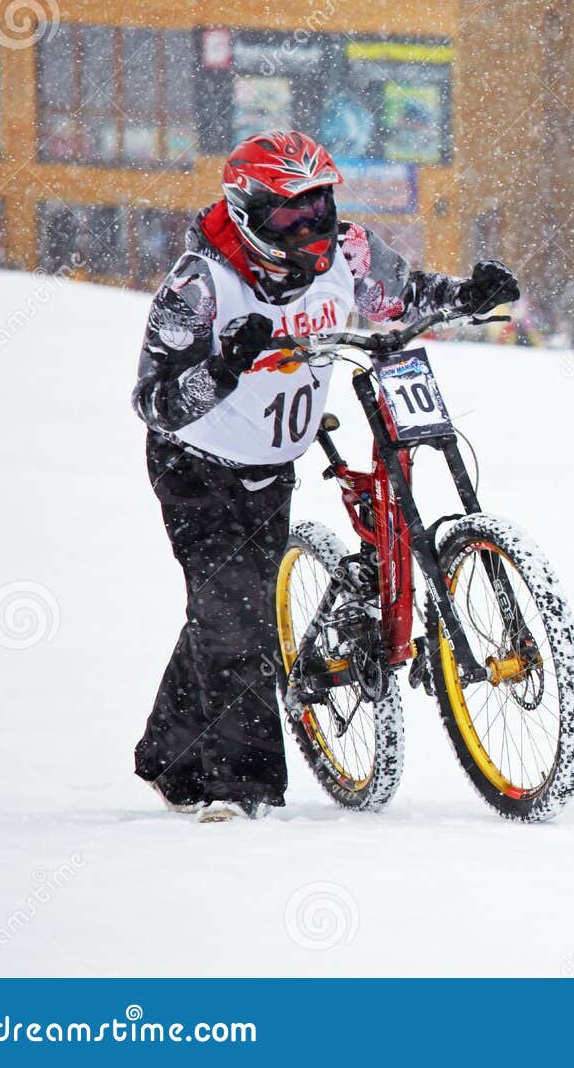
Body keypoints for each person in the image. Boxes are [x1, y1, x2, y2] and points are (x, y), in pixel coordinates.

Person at [131, 130, 519, 823]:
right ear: (249, 213)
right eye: (290, 215)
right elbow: (154, 401)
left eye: (319, 208)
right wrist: (223, 367)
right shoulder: (201, 283)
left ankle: (170, 756)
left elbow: (402, 297)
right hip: (199, 468)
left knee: (226, 609)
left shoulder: (349, 253)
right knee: (238, 617)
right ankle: (241, 787)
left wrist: (467, 296)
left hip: (274, 466)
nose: (311, 227)